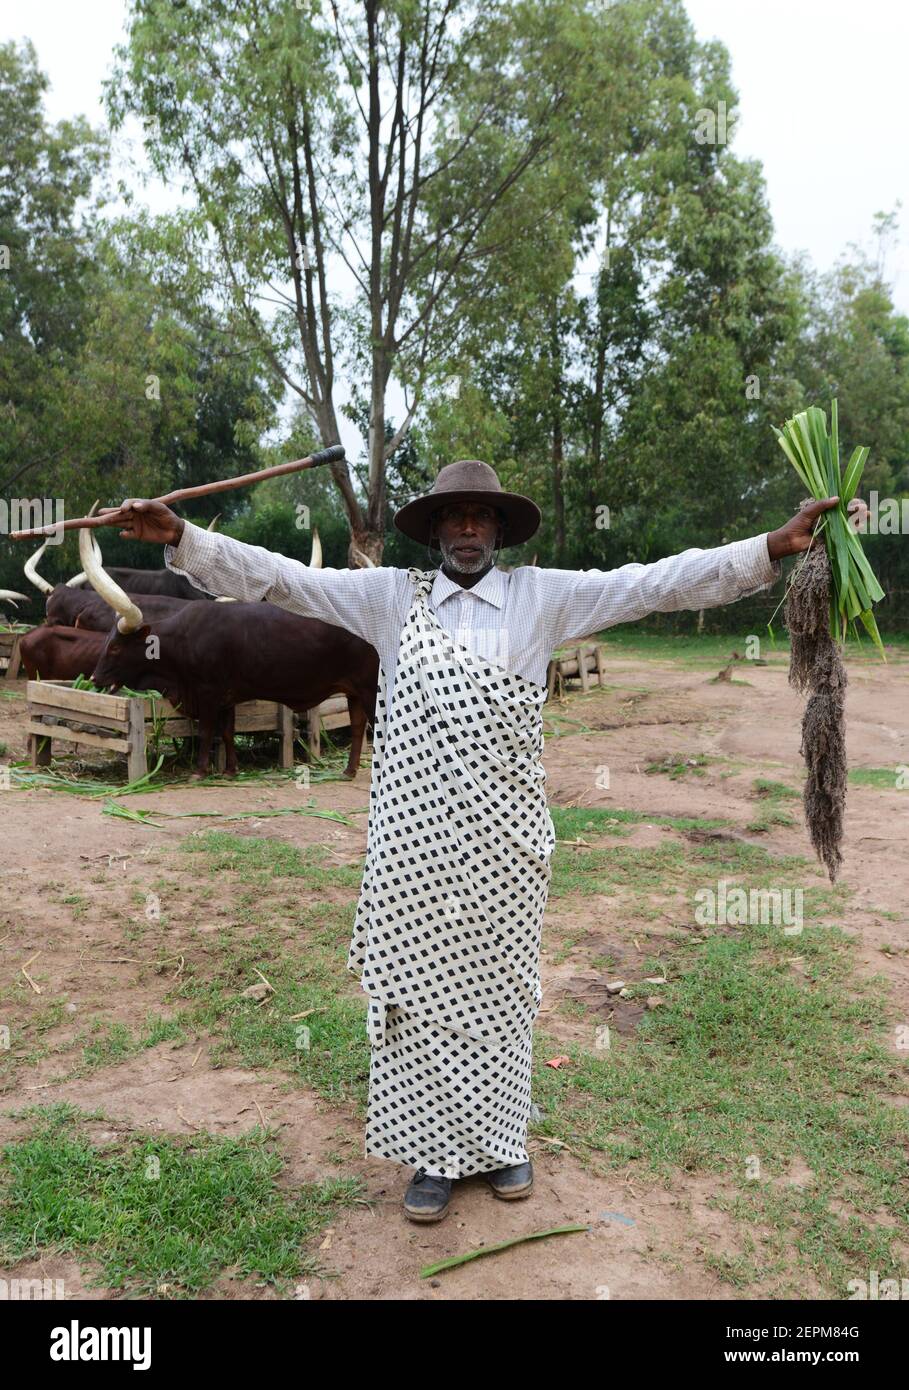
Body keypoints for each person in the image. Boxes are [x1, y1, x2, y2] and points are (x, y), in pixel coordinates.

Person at [102, 459, 856, 1224]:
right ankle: (430, 1156)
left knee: (498, 999)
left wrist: (768, 545)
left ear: (499, 530)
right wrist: (185, 539)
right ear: (433, 531)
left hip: (505, 849)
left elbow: (657, 582)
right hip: (413, 850)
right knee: (422, 1003)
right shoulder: (390, 600)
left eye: (480, 517)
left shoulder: (543, 598)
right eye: (452, 517)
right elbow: (282, 578)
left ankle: (500, 1144)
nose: (466, 529)